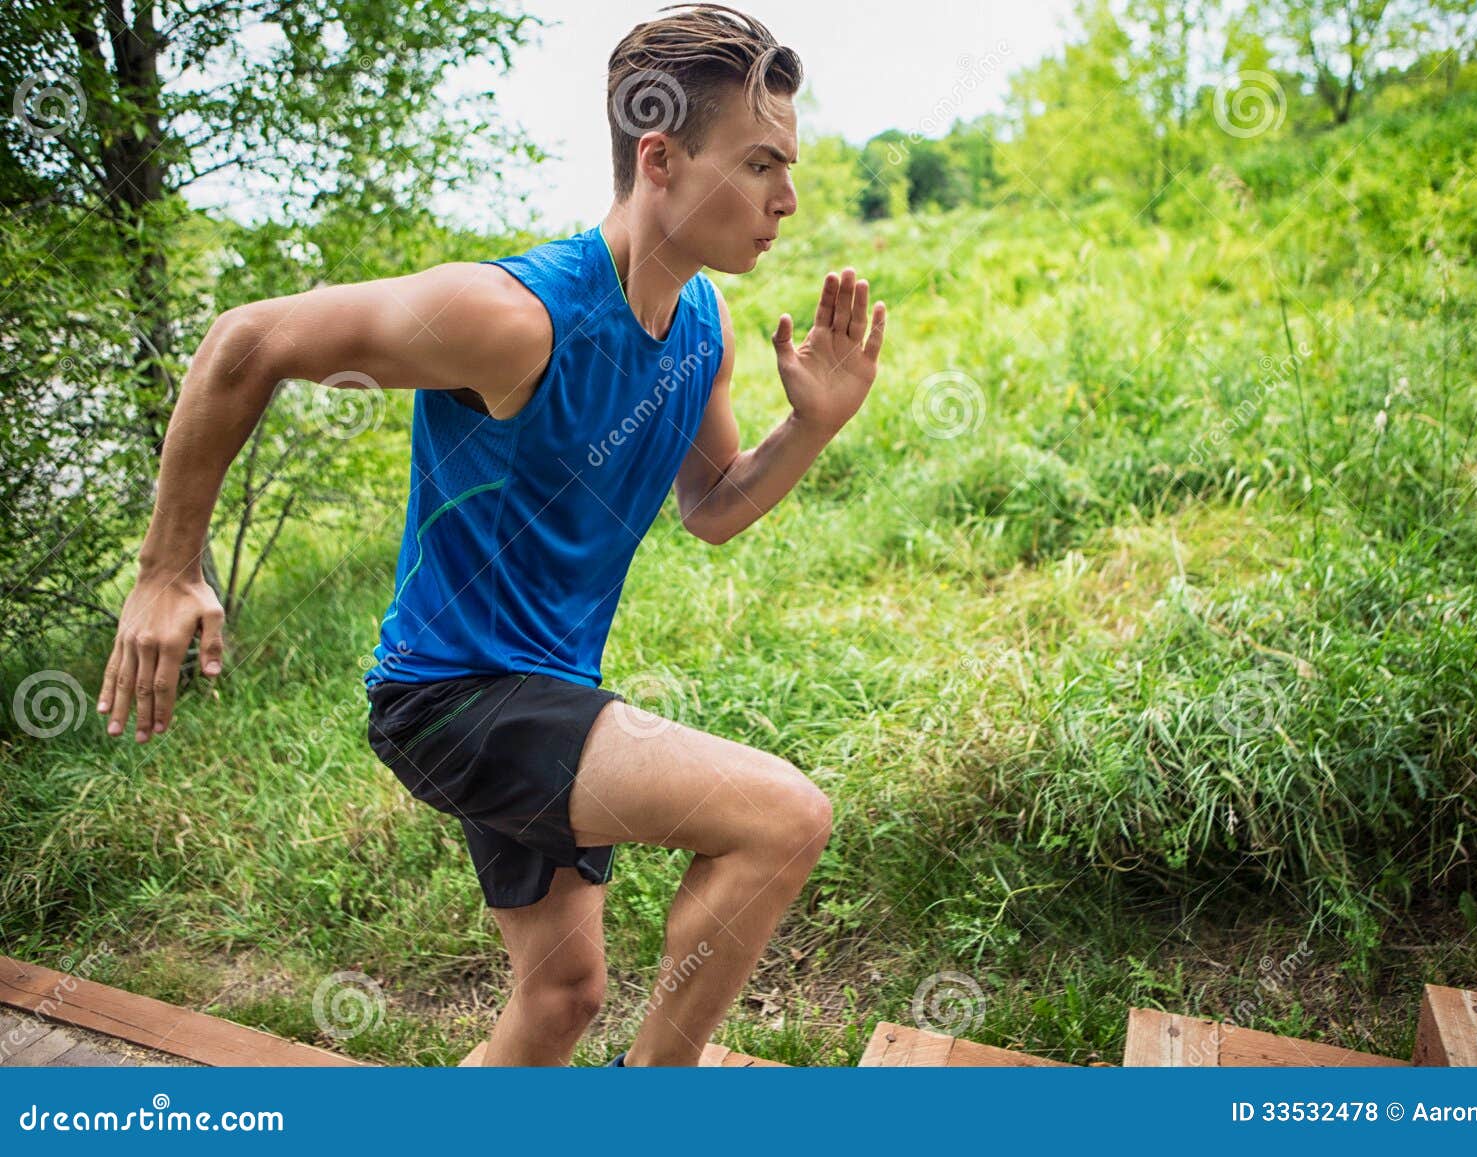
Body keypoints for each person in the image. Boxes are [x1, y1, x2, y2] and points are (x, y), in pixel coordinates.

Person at [96, 2, 888, 1068]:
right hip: (454, 698)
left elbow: (711, 507)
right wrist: (166, 567)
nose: (786, 200)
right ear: (660, 158)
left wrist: (813, 424)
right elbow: (248, 340)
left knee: (560, 995)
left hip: (544, 693)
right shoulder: (514, 318)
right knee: (781, 818)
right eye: (759, 165)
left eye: (786, 166)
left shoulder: (702, 325)